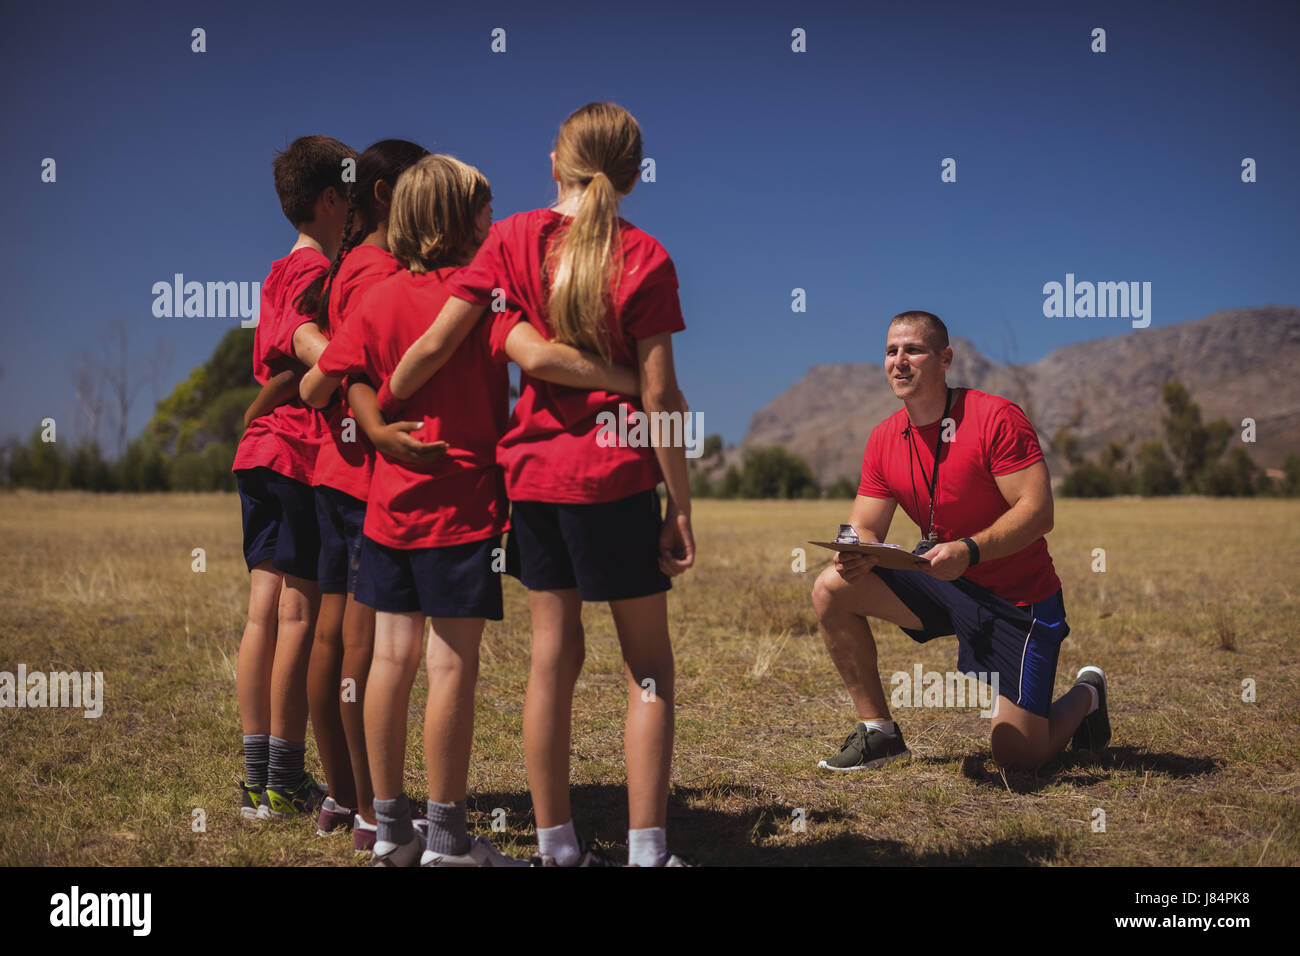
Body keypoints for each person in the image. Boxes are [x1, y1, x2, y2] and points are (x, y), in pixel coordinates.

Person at [302, 153, 642, 866]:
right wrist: (627, 376)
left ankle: (389, 830)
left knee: (392, 658)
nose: (495, 220)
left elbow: (331, 383)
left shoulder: (377, 297)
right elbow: (542, 360)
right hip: (463, 513)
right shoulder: (481, 294)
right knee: (452, 665)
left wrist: (377, 427)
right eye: (485, 209)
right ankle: (449, 840)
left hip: (388, 509)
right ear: (460, 221)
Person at [382, 102, 694, 867]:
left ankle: (558, 849)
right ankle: (648, 853)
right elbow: (660, 399)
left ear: (555, 164)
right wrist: (680, 506)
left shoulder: (509, 239)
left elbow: (441, 340)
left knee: (552, 658)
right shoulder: (646, 255)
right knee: (647, 669)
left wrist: (387, 397)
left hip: (534, 481)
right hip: (618, 479)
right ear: (631, 175)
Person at [811, 310, 1110, 773]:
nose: (899, 361)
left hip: (1017, 600)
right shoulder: (884, 438)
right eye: (891, 351)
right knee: (831, 586)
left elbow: (1038, 512)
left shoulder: (995, 417)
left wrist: (970, 549)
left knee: (1018, 757)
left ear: (945, 358)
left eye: (914, 350)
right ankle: (879, 735)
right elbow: (865, 525)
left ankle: (1088, 695)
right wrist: (856, 550)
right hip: (941, 580)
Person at [231, 134, 355, 821]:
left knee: (263, 614)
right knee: (299, 615)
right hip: (296, 454)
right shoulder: (315, 276)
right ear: (332, 199)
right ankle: (283, 780)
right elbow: (303, 339)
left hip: (258, 453)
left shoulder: (277, 269)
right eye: (355, 195)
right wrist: (346, 353)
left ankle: (258, 781)